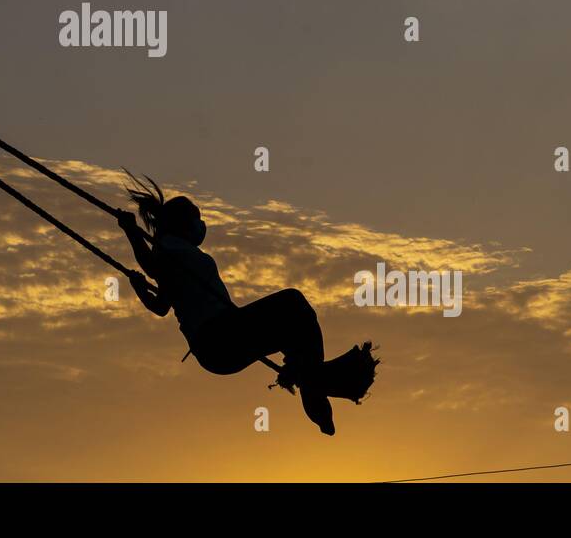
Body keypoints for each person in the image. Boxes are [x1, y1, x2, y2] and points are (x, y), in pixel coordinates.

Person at [117, 175, 377, 435]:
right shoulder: (169, 247)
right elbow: (153, 267)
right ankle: (320, 386)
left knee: (296, 331)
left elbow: (161, 305)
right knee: (293, 302)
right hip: (217, 338)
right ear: (183, 224)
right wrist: (131, 234)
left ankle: (317, 398)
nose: (201, 225)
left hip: (221, 342)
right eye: (196, 219)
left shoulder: (180, 252)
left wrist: (140, 287)